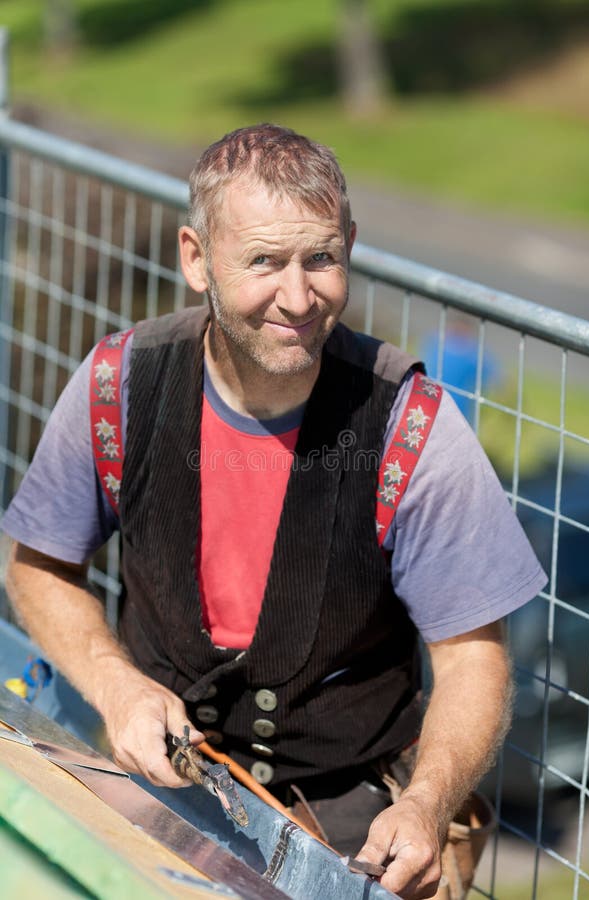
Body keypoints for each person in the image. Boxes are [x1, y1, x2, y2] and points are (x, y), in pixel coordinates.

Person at [2, 124, 546, 899]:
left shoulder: (414, 426)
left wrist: (427, 805)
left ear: (349, 245)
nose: (297, 298)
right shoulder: (117, 384)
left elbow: (471, 659)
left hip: (352, 822)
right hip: (152, 789)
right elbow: (37, 566)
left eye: (320, 258)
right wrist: (115, 686)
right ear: (196, 258)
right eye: (263, 261)